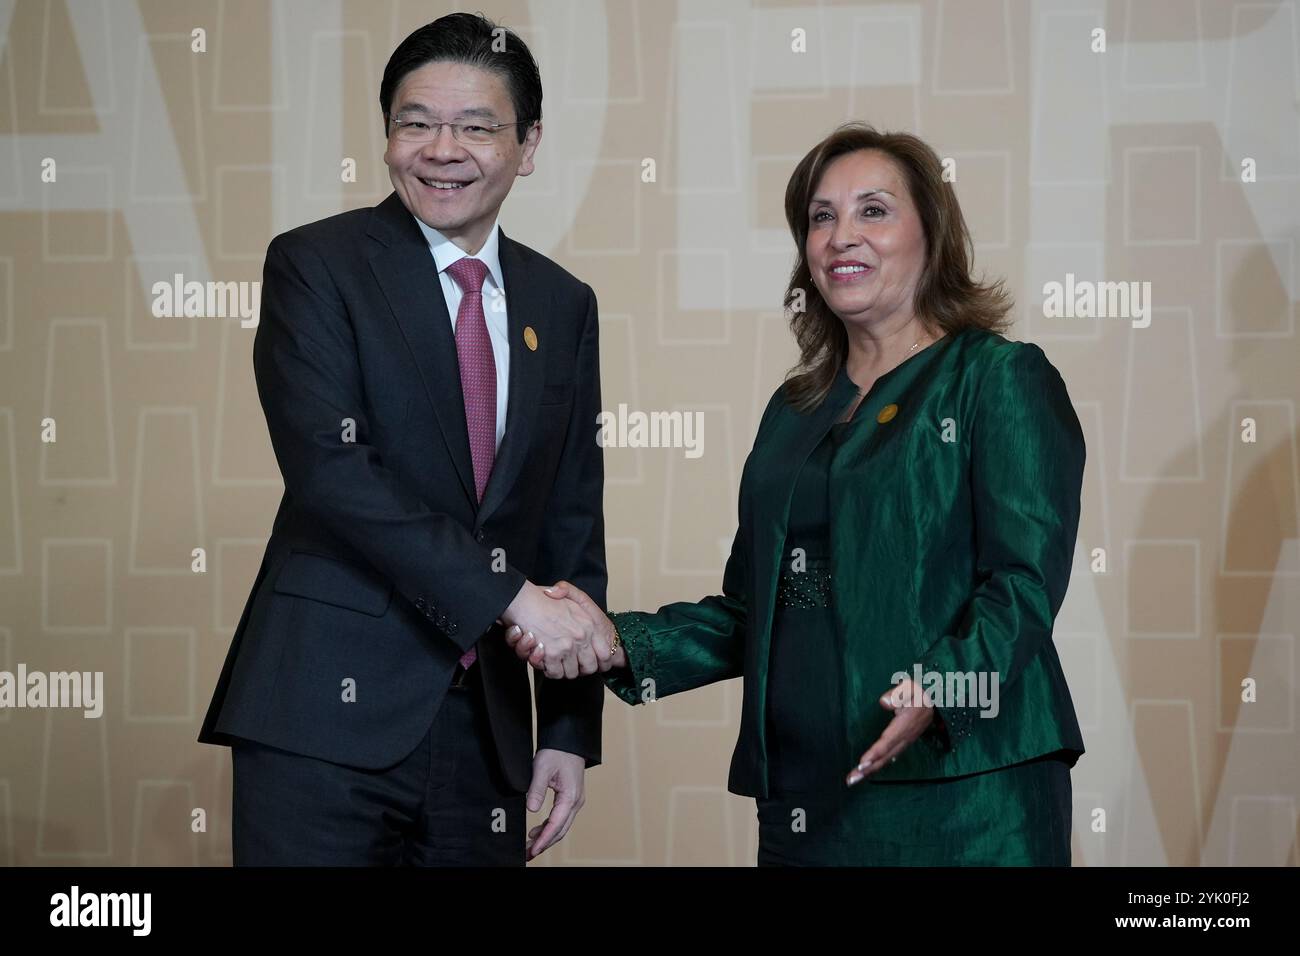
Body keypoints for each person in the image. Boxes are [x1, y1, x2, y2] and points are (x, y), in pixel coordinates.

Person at [514, 123, 1087, 866]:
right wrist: (617, 644)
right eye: (821, 218)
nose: (841, 236)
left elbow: (1024, 584)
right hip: (805, 797)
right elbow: (757, 610)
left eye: (873, 211)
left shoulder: (998, 379)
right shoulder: (794, 412)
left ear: (932, 235)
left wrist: (941, 689)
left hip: (968, 794)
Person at [198, 12, 609, 865]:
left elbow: (570, 518)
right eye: (415, 123)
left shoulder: (562, 303)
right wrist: (511, 598)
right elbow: (331, 473)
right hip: (321, 718)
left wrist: (568, 726)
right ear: (387, 138)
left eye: (475, 126)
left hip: (486, 733)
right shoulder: (317, 265)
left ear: (528, 145)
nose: (441, 148)